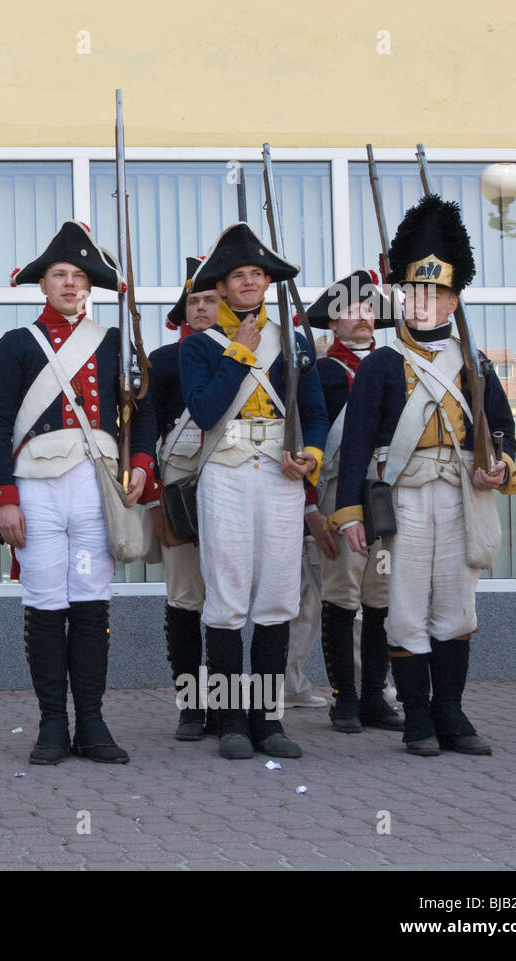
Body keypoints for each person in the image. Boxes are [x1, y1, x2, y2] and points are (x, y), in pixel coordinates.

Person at [331, 195, 516, 756]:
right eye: (413, 291)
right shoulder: (384, 364)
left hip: (462, 496)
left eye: (435, 293)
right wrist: (349, 515)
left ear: (452, 299)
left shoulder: (475, 363)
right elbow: (359, 443)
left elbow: (502, 430)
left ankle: (452, 714)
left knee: (457, 605)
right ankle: (416, 717)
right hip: (405, 498)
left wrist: (497, 467)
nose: (422, 302)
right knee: (407, 605)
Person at [0, 220, 157, 765]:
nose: (71, 284)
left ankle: (94, 722)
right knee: (45, 601)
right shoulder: (16, 345)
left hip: (95, 487)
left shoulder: (115, 342)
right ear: (43, 284)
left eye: (80, 276)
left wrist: (144, 464)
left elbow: (145, 409)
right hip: (34, 488)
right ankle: (53, 723)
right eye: (60, 274)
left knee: (89, 601)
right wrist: (3, 495)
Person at [179, 222, 328, 760]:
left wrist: (310, 456)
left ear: (268, 283)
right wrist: (239, 353)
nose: (249, 282)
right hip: (227, 467)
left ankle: (267, 720)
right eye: (239, 275)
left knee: (277, 595)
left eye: (257, 274)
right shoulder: (200, 347)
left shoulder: (293, 340)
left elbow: (312, 412)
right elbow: (206, 409)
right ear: (220, 286)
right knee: (226, 596)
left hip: (282, 474)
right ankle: (230, 719)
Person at [299, 271, 404, 733]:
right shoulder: (319, 372)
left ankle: (375, 698)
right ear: (333, 323)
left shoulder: (397, 366)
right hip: (339, 492)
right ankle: (344, 698)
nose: (360, 317)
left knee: (379, 597)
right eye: (348, 309)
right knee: (342, 597)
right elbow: (305, 439)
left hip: (386, 492)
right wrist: (311, 509)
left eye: (367, 308)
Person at [145, 256, 218, 740]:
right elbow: (146, 426)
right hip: (181, 483)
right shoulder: (165, 360)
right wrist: (151, 494)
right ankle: (193, 707)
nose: (201, 309)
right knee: (186, 597)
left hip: (237, 475)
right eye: (193, 302)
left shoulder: (248, 354)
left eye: (210, 299)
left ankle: (236, 708)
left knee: (233, 602)